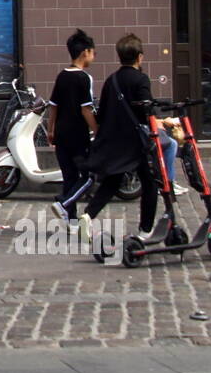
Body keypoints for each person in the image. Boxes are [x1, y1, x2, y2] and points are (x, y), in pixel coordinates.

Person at [78, 34, 159, 244]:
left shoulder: (111, 80)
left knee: (113, 181)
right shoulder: (141, 79)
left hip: (114, 139)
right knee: (149, 183)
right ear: (139, 57)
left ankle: (88, 215)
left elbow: (102, 112)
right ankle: (145, 230)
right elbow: (145, 110)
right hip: (135, 142)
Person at [47, 29, 98, 223]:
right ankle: (64, 203)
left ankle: (71, 219)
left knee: (69, 175)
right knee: (87, 176)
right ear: (85, 52)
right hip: (78, 134)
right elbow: (87, 110)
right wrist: (97, 131)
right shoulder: (84, 78)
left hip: (61, 133)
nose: (93, 57)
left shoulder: (62, 76)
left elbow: (53, 106)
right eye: (93, 53)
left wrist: (51, 130)